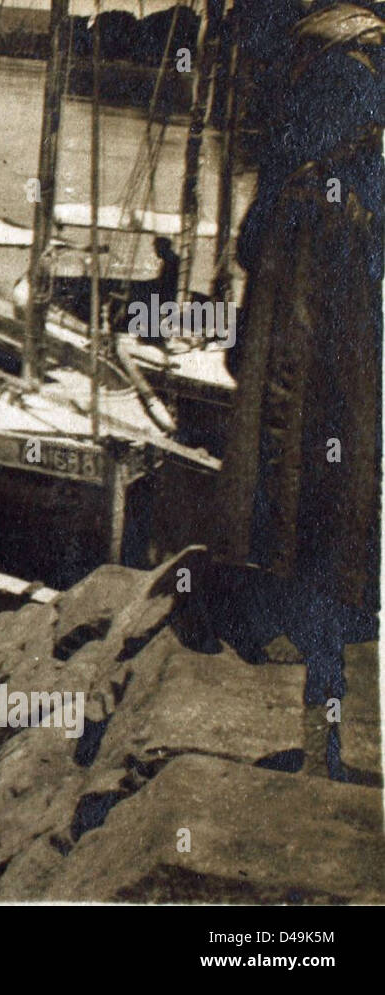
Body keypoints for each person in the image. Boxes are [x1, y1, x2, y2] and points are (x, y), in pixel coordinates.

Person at [210, 2, 384, 779]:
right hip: (340, 328)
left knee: (305, 498)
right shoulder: (356, 68)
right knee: (335, 504)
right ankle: (328, 723)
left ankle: (323, 734)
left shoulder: (326, 73)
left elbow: (264, 223)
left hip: (310, 322)